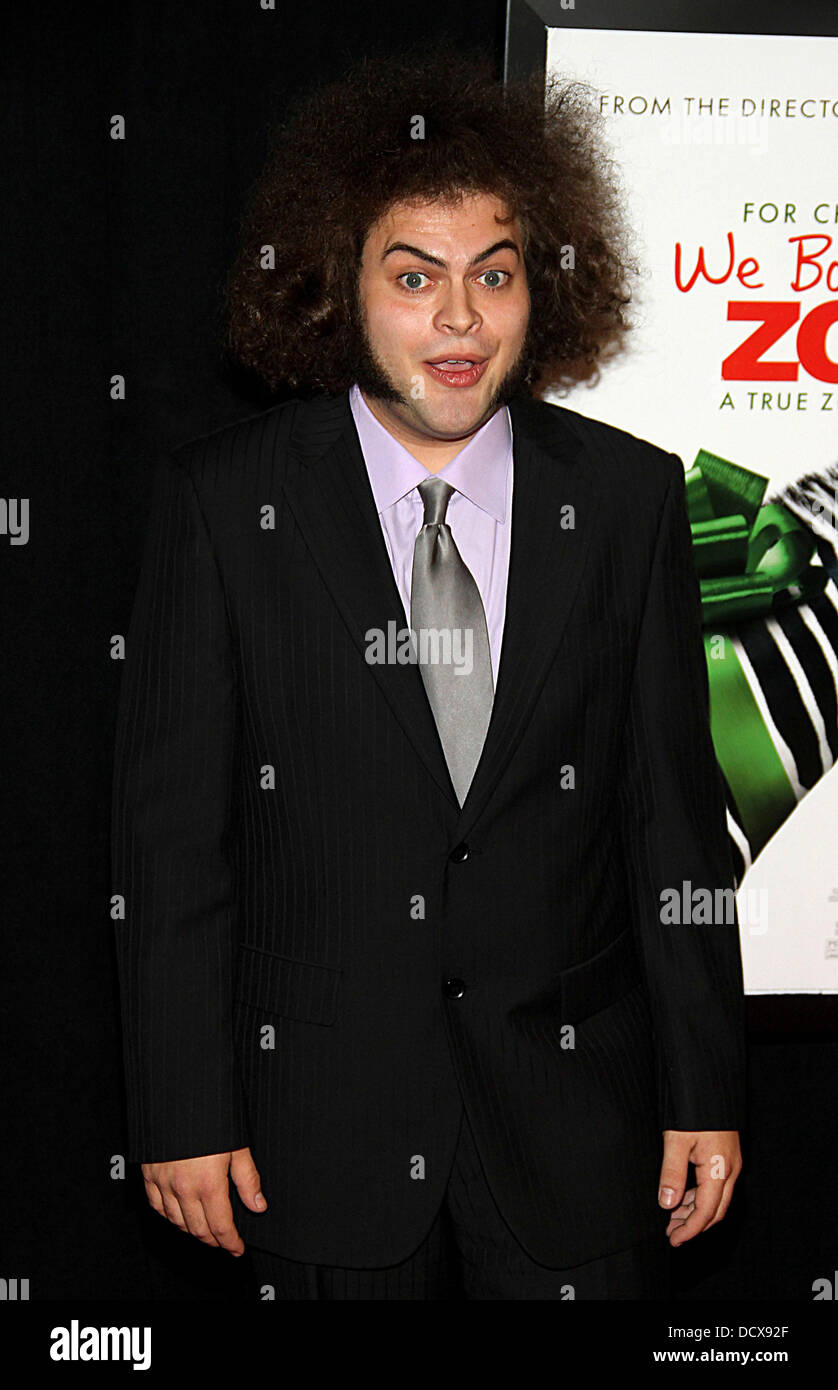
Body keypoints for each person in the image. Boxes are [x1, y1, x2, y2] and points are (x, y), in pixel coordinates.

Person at [111, 44, 747, 1300]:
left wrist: (706, 1084)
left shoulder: (627, 501)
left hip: (576, 1125)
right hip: (310, 1134)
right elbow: (172, 840)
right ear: (336, 291)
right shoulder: (228, 506)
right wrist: (182, 1105)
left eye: (492, 275)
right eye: (414, 277)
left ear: (540, 289)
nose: (458, 319)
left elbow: (676, 827)